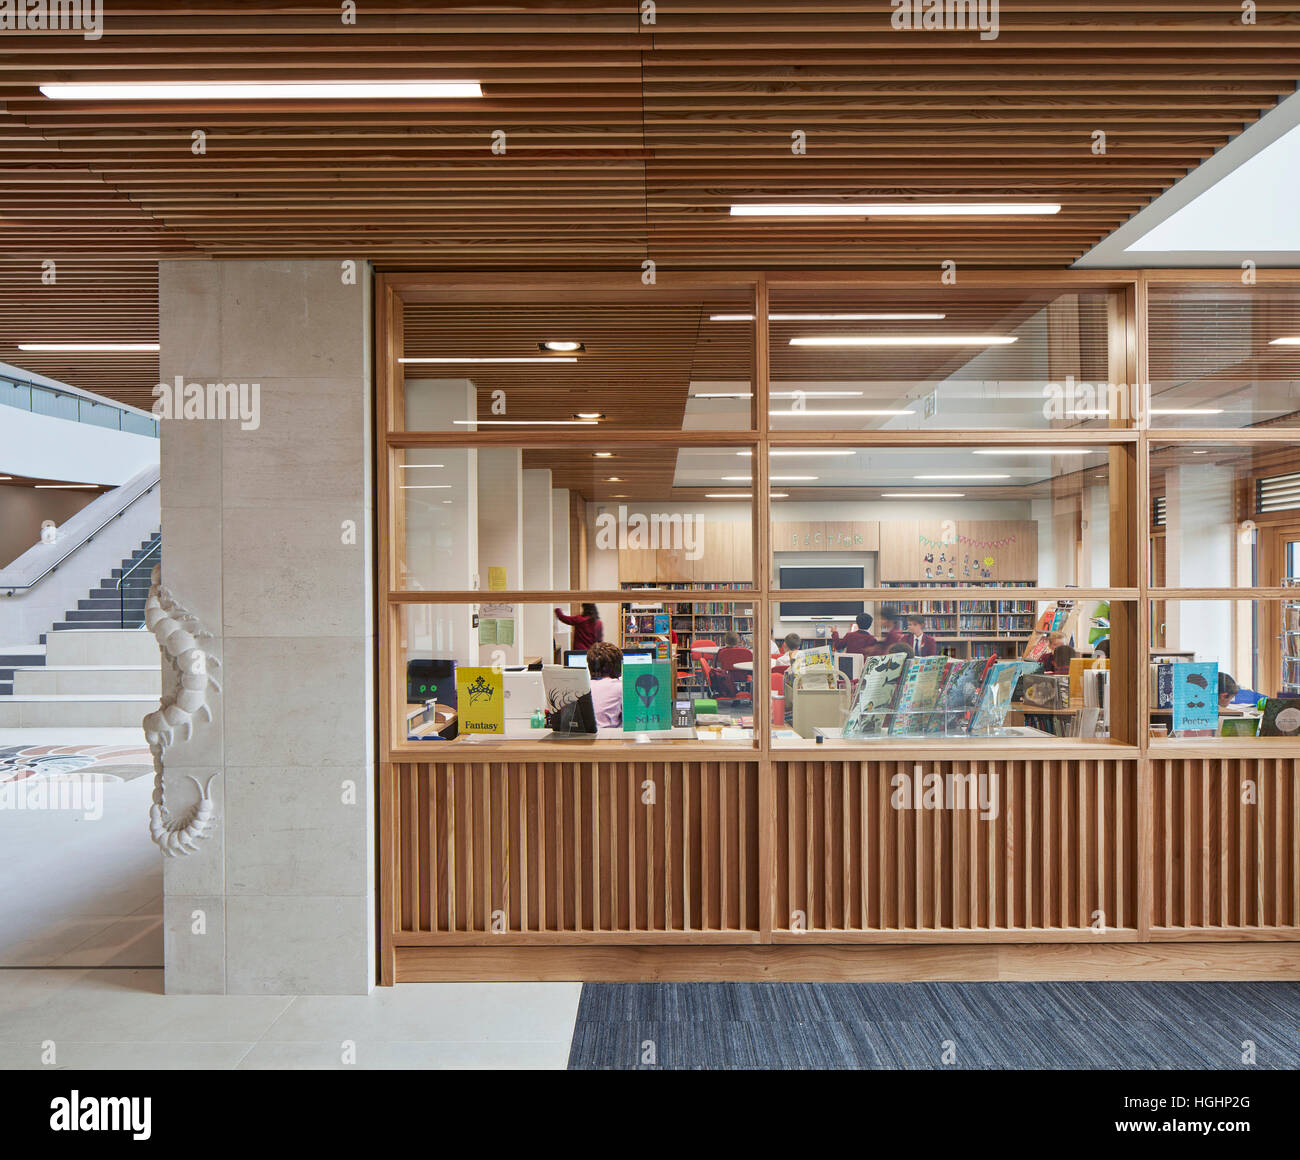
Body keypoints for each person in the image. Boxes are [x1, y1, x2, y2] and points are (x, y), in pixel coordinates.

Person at [585, 641, 622, 728]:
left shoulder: (582, 687)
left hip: (583, 739)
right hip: (608, 739)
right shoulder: (620, 687)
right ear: (618, 668)